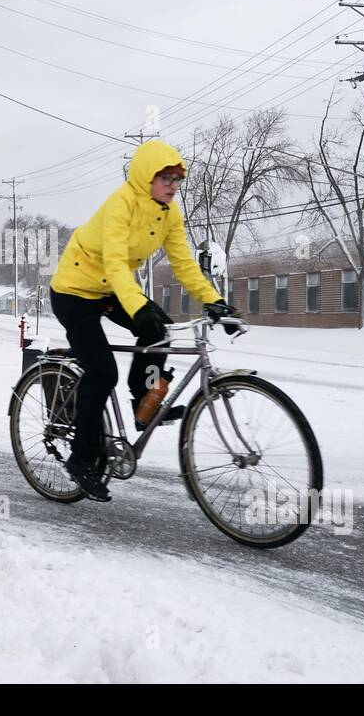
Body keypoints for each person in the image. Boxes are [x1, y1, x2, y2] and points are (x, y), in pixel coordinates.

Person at [48, 139, 237, 502]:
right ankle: (82, 460)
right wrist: (137, 306)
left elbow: (183, 264)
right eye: (165, 177)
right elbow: (116, 265)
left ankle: (141, 401)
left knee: (158, 332)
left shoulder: (170, 214)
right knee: (102, 372)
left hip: (109, 291)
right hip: (74, 293)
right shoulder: (121, 205)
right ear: (145, 176)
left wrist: (216, 302)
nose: (172, 185)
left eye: (177, 179)